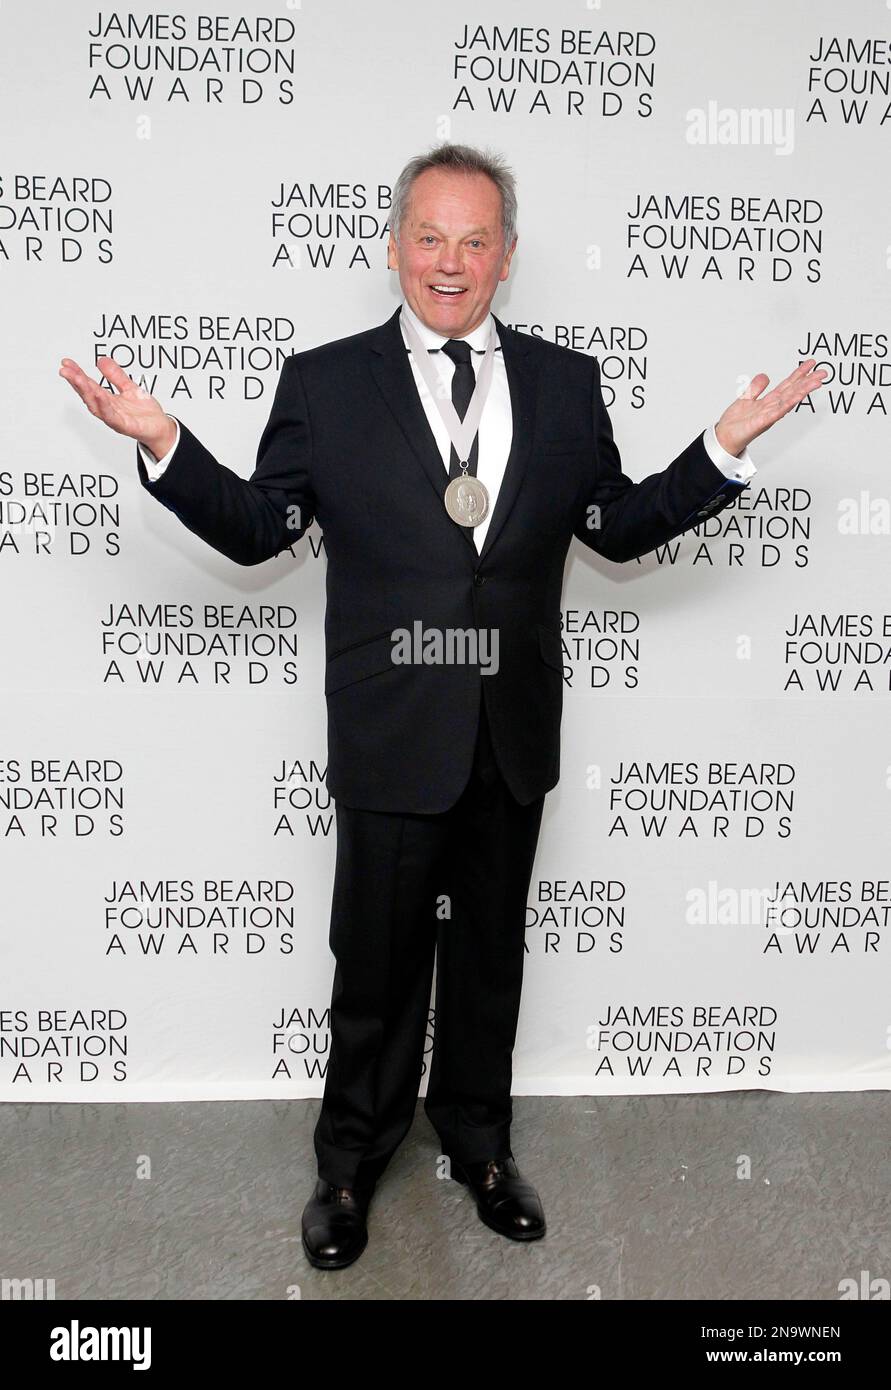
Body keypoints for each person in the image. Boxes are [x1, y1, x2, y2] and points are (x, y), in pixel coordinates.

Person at [59, 142, 827, 1271]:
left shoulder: (570, 384)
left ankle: (479, 1147)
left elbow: (611, 526)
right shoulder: (324, 382)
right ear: (394, 247)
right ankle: (348, 1165)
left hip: (509, 733)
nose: (450, 261)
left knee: (488, 960)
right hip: (390, 730)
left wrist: (721, 449)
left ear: (508, 255)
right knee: (372, 961)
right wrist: (167, 445)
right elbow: (263, 528)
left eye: (476, 240)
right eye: (430, 236)